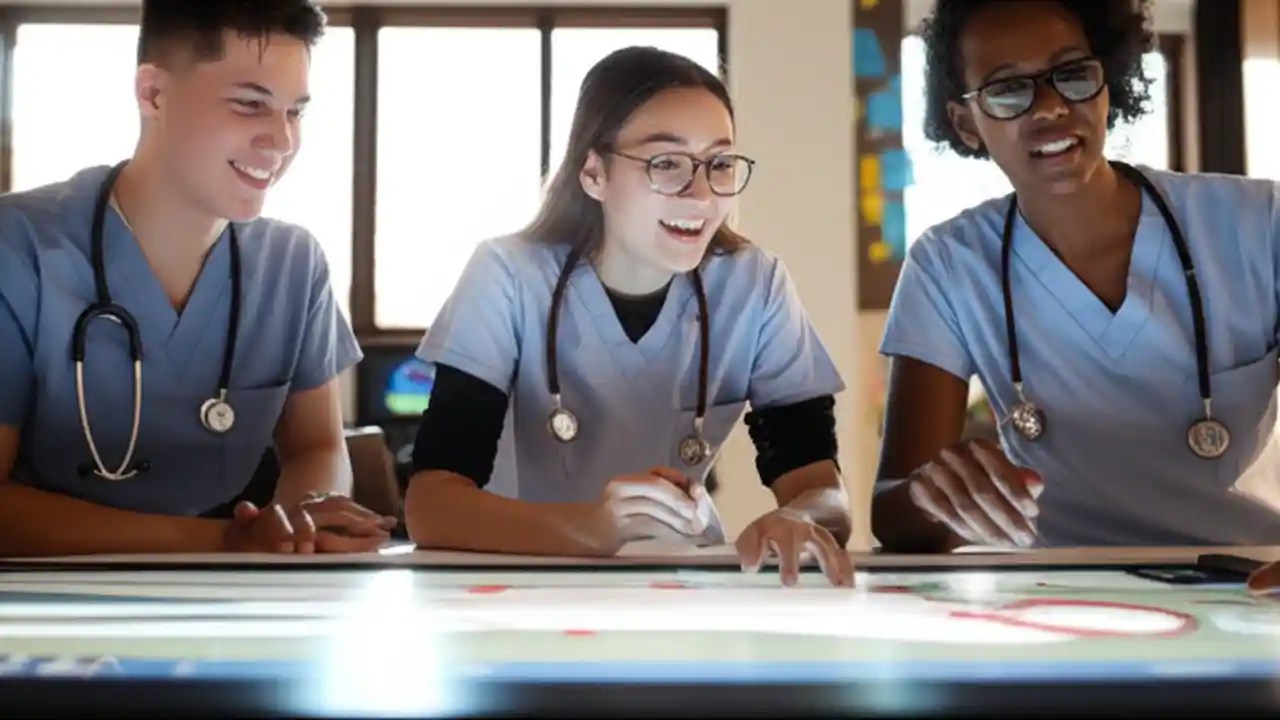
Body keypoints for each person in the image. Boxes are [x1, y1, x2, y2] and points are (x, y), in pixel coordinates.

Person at [403, 46, 854, 587]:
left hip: (679, 580)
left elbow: (821, 487)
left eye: (719, 164)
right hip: (516, 580)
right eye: (666, 164)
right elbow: (432, 507)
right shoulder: (507, 275)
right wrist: (593, 528)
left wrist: (797, 518)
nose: (702, 194)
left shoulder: (755, 285)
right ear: (593, 173)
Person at [873, 0, 1280, 551]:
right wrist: (942, 494)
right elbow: (894, 512)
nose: (1050, 107)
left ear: (1106, 82)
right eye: (1008, 90)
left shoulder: (1259, 224)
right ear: (966, 123)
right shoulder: (948, 265)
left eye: (1071, 75)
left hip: (1251, 578)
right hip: (1061, 591)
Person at [0, 0, 395, 557]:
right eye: (250, 104)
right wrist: (225, 540)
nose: (282, 142)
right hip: (41, 596)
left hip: (232, 595)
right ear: (153, 94)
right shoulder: (19, 248)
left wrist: (306, 521)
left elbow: (317, 446)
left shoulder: (293, 264)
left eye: (295, 112)